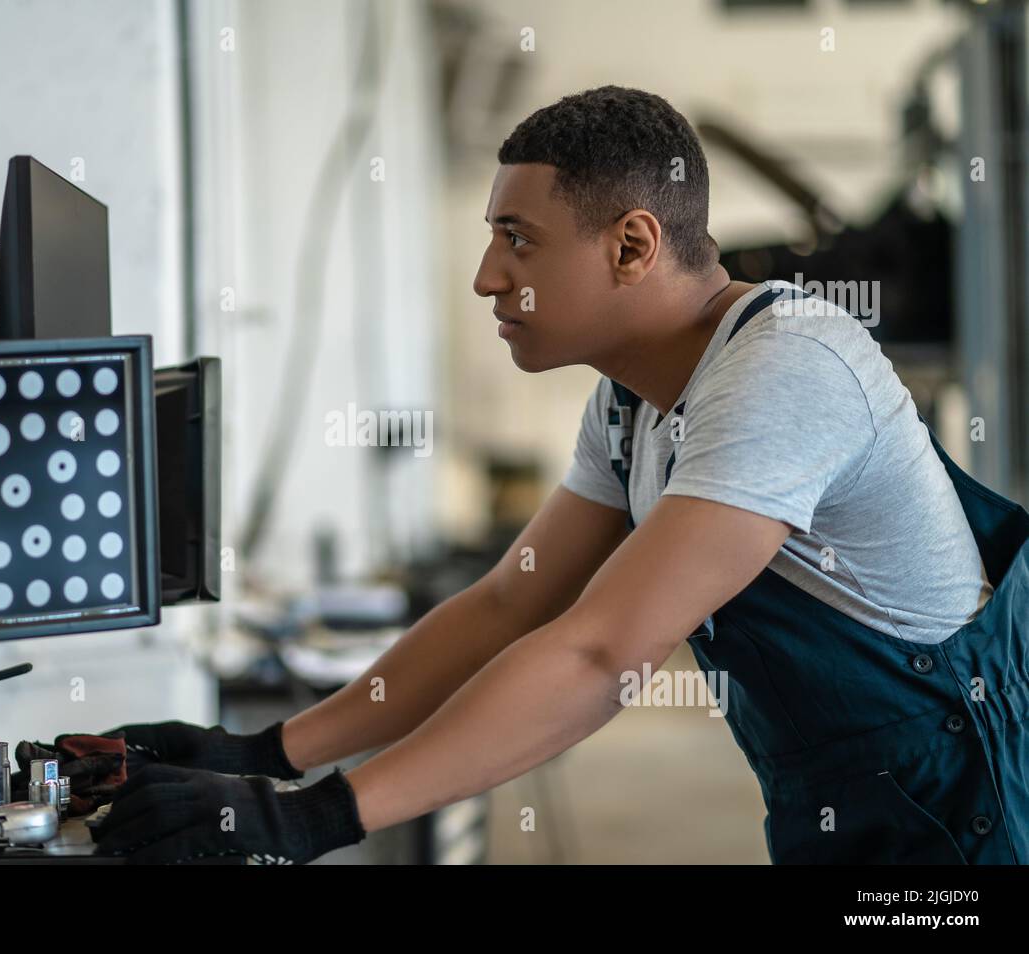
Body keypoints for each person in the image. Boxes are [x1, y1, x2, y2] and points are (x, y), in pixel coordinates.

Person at [91, 86, 1029, 865]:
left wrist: (312, 817)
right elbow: (512, 605)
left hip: (965, 821)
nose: (487, 278)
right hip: (844, 811)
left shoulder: (786, 371)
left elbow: (601, 654)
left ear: (631, 246)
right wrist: (265, 751)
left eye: (518, 239)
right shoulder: (631, 407)